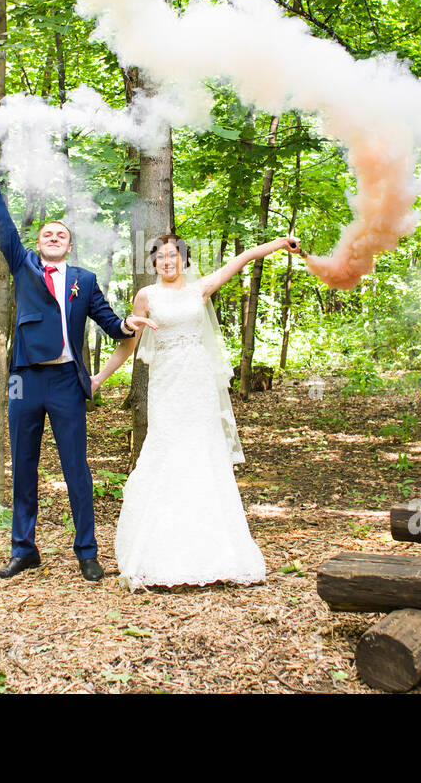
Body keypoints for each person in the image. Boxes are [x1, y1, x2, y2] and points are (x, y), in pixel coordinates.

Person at [0, 145, 157, 581]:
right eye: (47, 235)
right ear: (38, 244)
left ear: (70, 245)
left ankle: (87, 552)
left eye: (61, 236)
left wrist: (130, 323)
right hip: (24, 381)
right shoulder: (24, 265)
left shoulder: (84, 281)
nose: (54, 238)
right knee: (24, 465)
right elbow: (2, 223)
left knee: (76, 468)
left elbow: (112, 325)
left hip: (68, 383)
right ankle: (23, 547)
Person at [91, 232, 302, 588]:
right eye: (161, 257)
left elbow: (244, 258)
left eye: (174, 255)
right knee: (166, 452)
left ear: (183, 259)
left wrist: (280, 244)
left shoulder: (200, 288)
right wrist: (98, 378)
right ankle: (158, 552)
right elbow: (128, 345)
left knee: (203, 456)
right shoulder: (146, 297)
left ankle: (214, 552)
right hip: (166, 385)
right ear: (154, 262)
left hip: (199, 385)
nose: (168, 261)